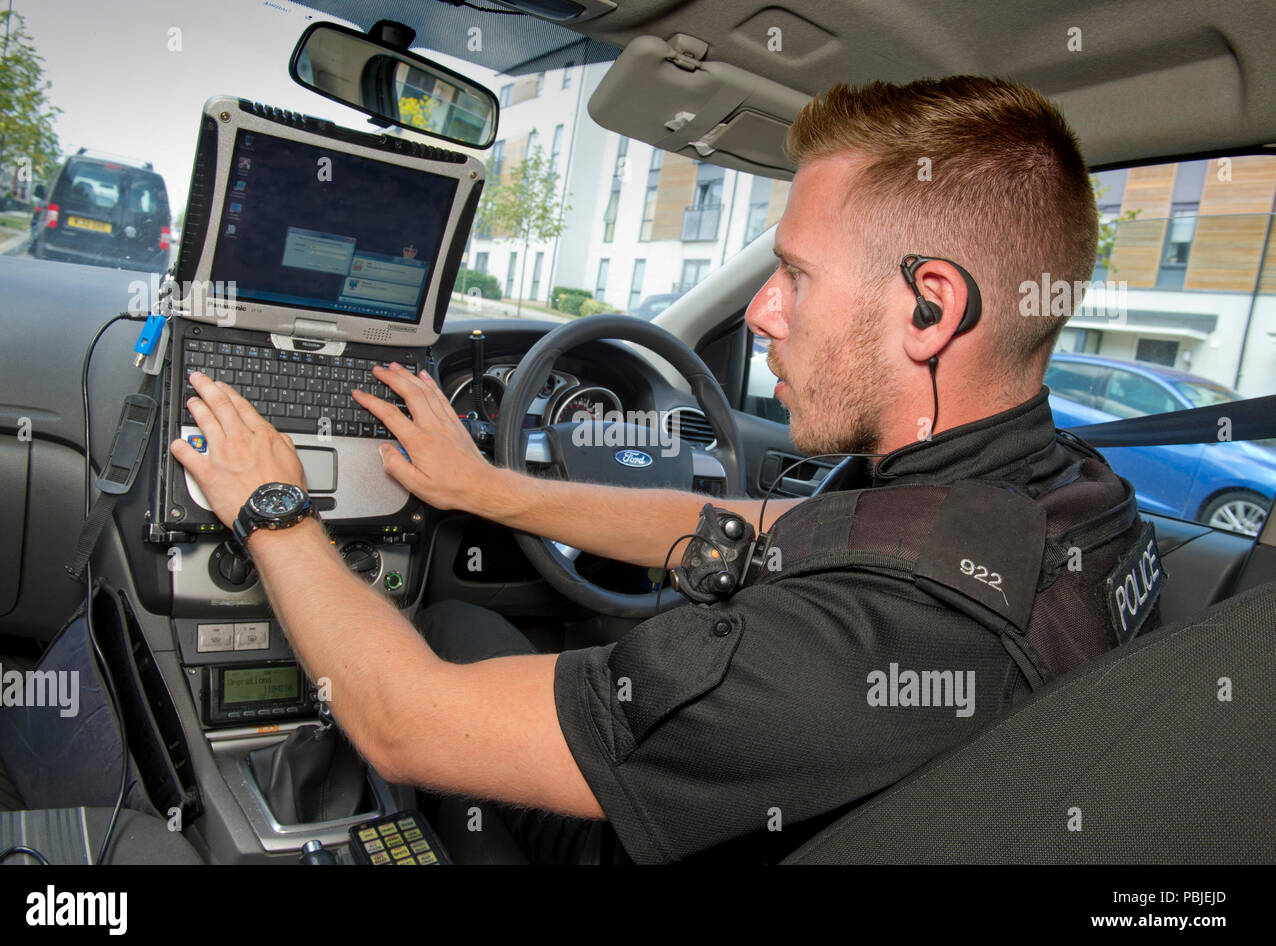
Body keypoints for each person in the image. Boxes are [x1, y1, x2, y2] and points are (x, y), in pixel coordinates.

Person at [170, 75, 1155, 864]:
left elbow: (396, 720)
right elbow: (755, 525)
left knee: (444, 634)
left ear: (929, 309)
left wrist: (275, 507)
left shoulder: (842, 654)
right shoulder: (1064, 497)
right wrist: (488, 488)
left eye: (796, 275)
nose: (763, 312)